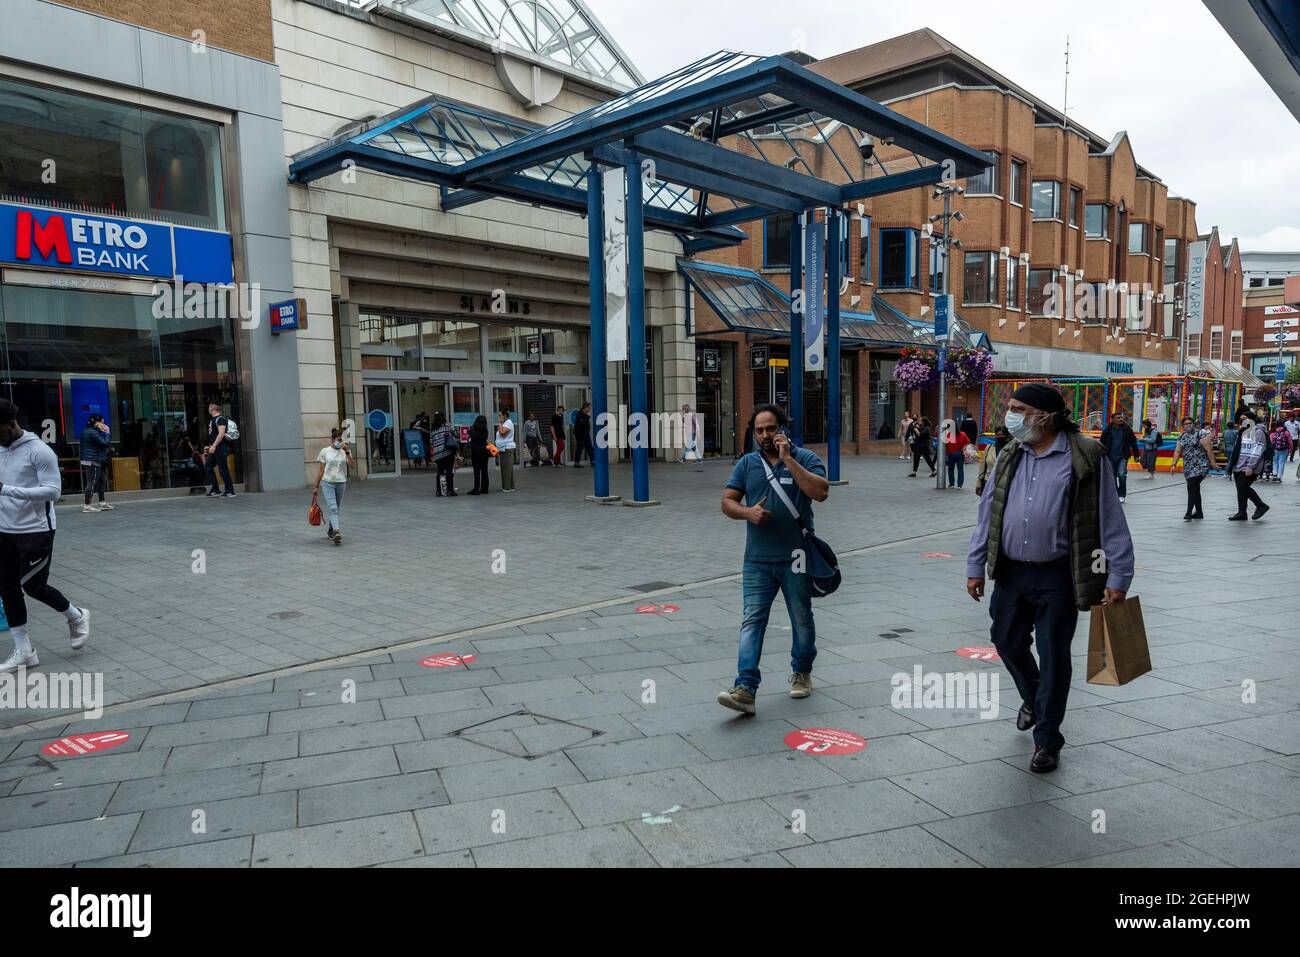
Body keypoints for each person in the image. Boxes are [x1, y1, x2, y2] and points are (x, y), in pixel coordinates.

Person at [966, 384, 1134, 774]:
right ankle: (1035, 697)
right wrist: (976, 566)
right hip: (1011, 571)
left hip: (1059, 575)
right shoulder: (1010, 454)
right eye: (1010, 407)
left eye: (1018, 408)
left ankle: (1047, 740)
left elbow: (1109, 519)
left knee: (1055, 655)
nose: (1010, 414)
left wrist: (1119, 574)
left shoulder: (1085, 456)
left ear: (1045, 416)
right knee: (1005, 641)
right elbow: (987, 514)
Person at [718, 404, 829, 716]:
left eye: (770, 429)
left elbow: (820, 492)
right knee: (752, 620)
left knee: (801, 617)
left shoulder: (805, 458)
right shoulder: (747, 464)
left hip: (796, 556)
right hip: (757, 559)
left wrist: (788, 460)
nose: (765, 435)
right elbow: (727, 501)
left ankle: (802, 671)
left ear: (783, 428)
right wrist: (747, 512)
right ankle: (745, 688)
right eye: (759, 430)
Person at [0, 399, 91, 674]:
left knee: (34, 586)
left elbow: (53, 492)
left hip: (36, 530)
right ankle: (25, 651)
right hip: (4, 530)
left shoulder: (40, 451)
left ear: (11, 424)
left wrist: (7, 490)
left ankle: (77, 616)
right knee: (8, 590)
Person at [314, 428, 354, 545]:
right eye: (339, 440)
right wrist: (315, 486)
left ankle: (331, 529)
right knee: (333, 508)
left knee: (336, 508)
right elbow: (321, 470)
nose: (341, 443)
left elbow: (352, 466)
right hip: (327, 482)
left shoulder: (345, 451)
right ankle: (337, 532)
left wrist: (347, 452)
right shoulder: (324, 451)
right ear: (332, 440)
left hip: (341, 482)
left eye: (342, 440)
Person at [1227, 409, 1269, 522]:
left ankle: (1261, 505)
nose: (1242, 421)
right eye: (1241, 419)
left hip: (1250, 466)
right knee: (1240, 490)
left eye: (1245, 419)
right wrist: (1232, 465)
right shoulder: (1242, 431)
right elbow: (1238, 449)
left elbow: (1258, 450)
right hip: (1238, 465)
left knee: (1243, 487)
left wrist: (1250, 466)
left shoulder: (1258, 432)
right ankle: (1242, 512)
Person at [1177, 416, 1214, 520]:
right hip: (1188, 466)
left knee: (1191, 487)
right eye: (1186, 424)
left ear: (1194, 424)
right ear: (1183, 426)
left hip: (1200, 466)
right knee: (1195, 489)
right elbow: (1177, 451)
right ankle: (1199, 512)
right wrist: (1173, 464)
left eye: (1190, 423)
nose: (1188, 425)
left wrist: (1213, 464)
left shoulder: (1200, 434)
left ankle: (1188, 512)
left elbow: (1209, 449)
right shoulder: (1182, 436)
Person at [1099, 411, 1140, 503]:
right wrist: (1101, 456)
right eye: (1118, 418)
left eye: (1121, 417)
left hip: (1123, 456)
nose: (1121, 419)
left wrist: (1136, 455)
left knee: (1121, 475)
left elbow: (1133, 443)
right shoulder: (1107, 431)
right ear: (1112, 420)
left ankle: (1122, 494)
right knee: (1112, 477)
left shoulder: (1127, 430)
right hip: (1110, 457)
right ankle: (1116, 494)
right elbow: (1101, 444)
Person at [78, 414, 113, 514]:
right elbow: (104, 444)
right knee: (92, 482)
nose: (103, 424)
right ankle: (87, 505)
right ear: (96, 422)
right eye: (102, 422)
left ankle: (102, 503)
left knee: (102, 480)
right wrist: (107, 433)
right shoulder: (93, 432)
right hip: (92, 460)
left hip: (92, 459)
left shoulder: (88, 431)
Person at [203, 402, 236, 498]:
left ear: (213, 409)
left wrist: (214, 446)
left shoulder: (220, 419)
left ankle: (230, 491)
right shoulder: (213, 420)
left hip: (220, 448)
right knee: (208, 466)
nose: (208, 409)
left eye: (210, 407)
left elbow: (221, 434)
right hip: (215, 448)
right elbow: (213, 435)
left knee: (223, 470)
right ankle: (216, 489)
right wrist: (210, 446)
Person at [976, 426, 1010, 498]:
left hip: (1005, 484)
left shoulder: (1010, 449)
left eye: (1002, 435)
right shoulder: (988, 448)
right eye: (998, 435)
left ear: (1006, 435)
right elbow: (982, 467)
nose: (1000, 437)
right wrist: (978, 484)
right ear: (995, 435)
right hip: (988, 481)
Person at [431, 413, 458, 497]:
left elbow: (431, 442)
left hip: (437, 454)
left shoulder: (433, 429)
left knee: (440, 472)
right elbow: (455, 434)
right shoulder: (447, 426)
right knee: (449, 470)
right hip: (447, 452)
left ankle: (440, 491)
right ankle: (450, 491)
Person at [944, 422, 972, 490]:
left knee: (951, 469)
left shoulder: (948, 435)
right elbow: (968, 442)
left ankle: (952, 484)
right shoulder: (962, 434)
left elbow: (944, 445)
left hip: (950, 454)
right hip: (960, 454)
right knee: (960, 469)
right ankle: (959, 485)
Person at [468, 415, 490, 495]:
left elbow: (471, 436)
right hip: (485, 451)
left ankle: (476, 489)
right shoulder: (485, 431)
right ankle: (485, 488)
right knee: (484, 470)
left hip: (476, 452)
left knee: (476, 471)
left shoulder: (472, 430)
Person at [496, 410, 517, 492]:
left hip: (507, 448)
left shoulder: (508, 423)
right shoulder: (506, 423)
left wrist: (500, 423)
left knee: (506, 468)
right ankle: (509, 486)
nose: (499, 417)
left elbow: (502, 433)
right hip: (504, 447)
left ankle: (507, 487)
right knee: (506, 467)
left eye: (500, 415)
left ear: (504, 415)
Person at [1268, 419, 1292, 483]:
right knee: (1281, 463)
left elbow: (1271, 442)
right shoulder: (1286, 432)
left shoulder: (1272, 432)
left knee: (1275, 462)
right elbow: (1290, 442)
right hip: (1284, 450)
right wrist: (1290, 450)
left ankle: (1275, 474)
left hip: (1275, 449)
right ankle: (1279, 477)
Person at [574, 403, 595, 468]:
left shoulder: (585, 415)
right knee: (579, 448)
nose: (590, 409)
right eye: (589, 408)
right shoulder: (579, 414)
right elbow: (582, 424)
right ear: (585, 407)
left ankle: (592, 461)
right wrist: (588, 416)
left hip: (586, 434)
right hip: (580, 434)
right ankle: (576, 463)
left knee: (590, 448)